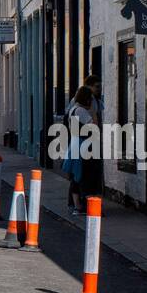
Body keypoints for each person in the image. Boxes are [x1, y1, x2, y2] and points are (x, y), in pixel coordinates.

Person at [63, 85, 96, 214]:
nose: (91, 101)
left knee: (75, 175)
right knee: (81, 175)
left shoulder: (73, 109)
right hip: (82, 145)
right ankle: (78, 206)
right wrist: (93, 113)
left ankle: (75, 205)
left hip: (75, 143)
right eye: (90, 99)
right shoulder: (81, 111)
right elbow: (94, 127)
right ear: (86, 99)